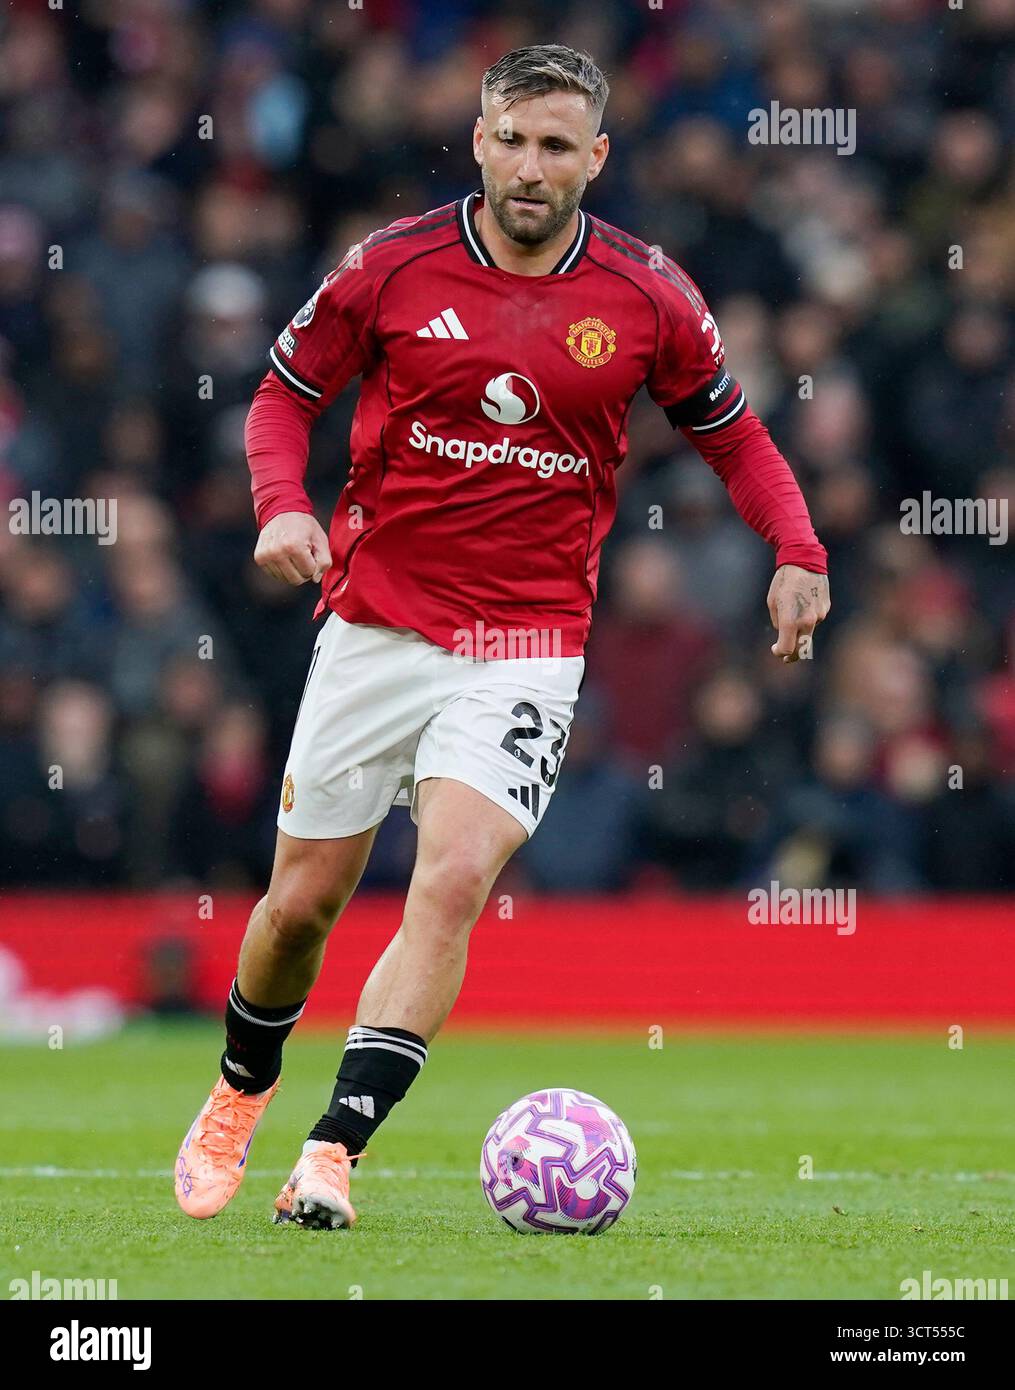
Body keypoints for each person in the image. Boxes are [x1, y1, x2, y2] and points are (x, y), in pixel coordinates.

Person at [174, 44, 830, 1230]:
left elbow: (735, 435)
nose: (533, 167)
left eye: (559, 145)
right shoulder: (389, 266)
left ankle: (332, 1151)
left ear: (597, 157)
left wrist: (797, 550)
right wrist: (280, 503)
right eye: (514, 140)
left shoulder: (649, 296)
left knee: (454, 878)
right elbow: (281, 394)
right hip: (376, 622)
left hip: (527, 640)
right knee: (299, 909)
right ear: (480, 141)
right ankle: (239, 1088)